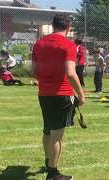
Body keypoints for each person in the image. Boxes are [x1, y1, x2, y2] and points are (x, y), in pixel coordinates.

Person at [32, 14, 85, 180]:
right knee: (57, 135)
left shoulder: (38, 43)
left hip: (44, 94)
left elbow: (34, 72)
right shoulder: (68, 45)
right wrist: (81, 95)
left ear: (52, 25)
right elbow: (71, 72)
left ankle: (49, 162)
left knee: (48, 130)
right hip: (62, 94)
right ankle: (53, 173)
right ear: (68, 27)